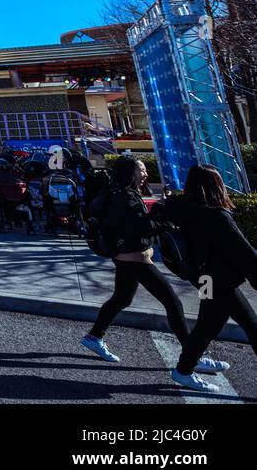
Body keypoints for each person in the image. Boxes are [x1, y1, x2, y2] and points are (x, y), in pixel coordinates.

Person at [80, 157, 208, 368]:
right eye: (142, 169)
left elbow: (136, 224)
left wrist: (160, 207)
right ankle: (191, 354)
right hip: (136, 259)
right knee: (172, 302)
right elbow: (143, 228)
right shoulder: (126, 198)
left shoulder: (117, 194)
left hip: (126, 258)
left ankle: (94, 337)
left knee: (121, 299)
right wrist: (163, 213)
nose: (146, 173)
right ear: (130, 173)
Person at [164, 164, 257, 392]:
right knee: (240, 326)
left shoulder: (184, 210)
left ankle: (184, 369)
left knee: (210, 326)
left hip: (205, 280)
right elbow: (244, 254)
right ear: (216, 186)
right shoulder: (216, 217)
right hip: (222, 282)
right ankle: (184, 371)